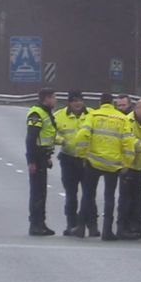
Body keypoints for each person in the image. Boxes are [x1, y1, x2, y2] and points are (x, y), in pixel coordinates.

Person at [72, 93, 141, 240]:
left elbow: (82, 135)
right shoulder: (122, 119)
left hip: (93, 161)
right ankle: (107, 231)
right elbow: (128, 142)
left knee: (87, 195)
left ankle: (81, 228)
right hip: (113, 164)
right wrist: (127, 163)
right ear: (114, 104)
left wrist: (81, 154)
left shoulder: (93, 115)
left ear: (100, 102)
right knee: (109, 197)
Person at [117, 99, 141, 240]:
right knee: (126, 200)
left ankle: (135, 227)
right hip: (128, 167)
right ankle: (123, 228)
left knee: (137, 200)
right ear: (137, 108)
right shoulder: (128, 122)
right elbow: (132, 141)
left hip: (139, 167)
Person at [53, 90, 90, 235]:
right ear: (69, 102)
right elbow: (50, 133)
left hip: (87, 160)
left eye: (80, 100)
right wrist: (61, 140)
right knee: (71, 194)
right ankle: (71, 224)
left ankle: (87, 224)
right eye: (74, 100)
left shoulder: (91, 115)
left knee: (88, 195)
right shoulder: (59, 116)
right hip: (68, 159)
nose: (78, 103)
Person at [25, 88, 58, 236]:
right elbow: (31, 138)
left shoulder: (46, 112)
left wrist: (48, 157)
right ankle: (35, 224)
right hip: (37, 157)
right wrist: (31, 161)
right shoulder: (36, 113)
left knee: (42, 192)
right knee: (37, 192)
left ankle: (41, 223)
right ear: (46, 98)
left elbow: (46, 137)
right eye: (53, 97)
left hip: (42, 156)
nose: (55, 100)